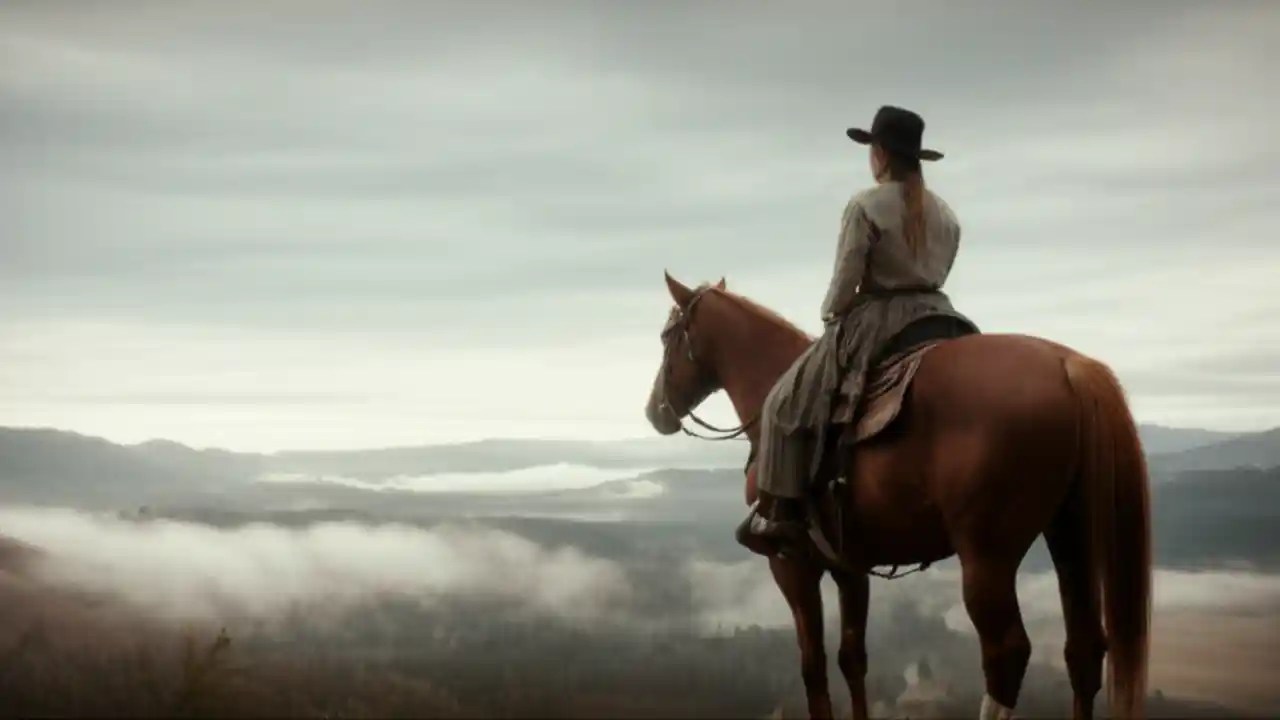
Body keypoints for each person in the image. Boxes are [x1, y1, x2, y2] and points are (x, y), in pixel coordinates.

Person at [736, 105, 978, 559]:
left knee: (782, 406)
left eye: (872, 148)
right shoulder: (946, 214)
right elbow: (942, 269)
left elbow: (847, 277)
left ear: (881, 153)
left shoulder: (865, 205)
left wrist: (832, 314)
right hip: (942, 315)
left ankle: (781, 515)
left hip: (879, 317)